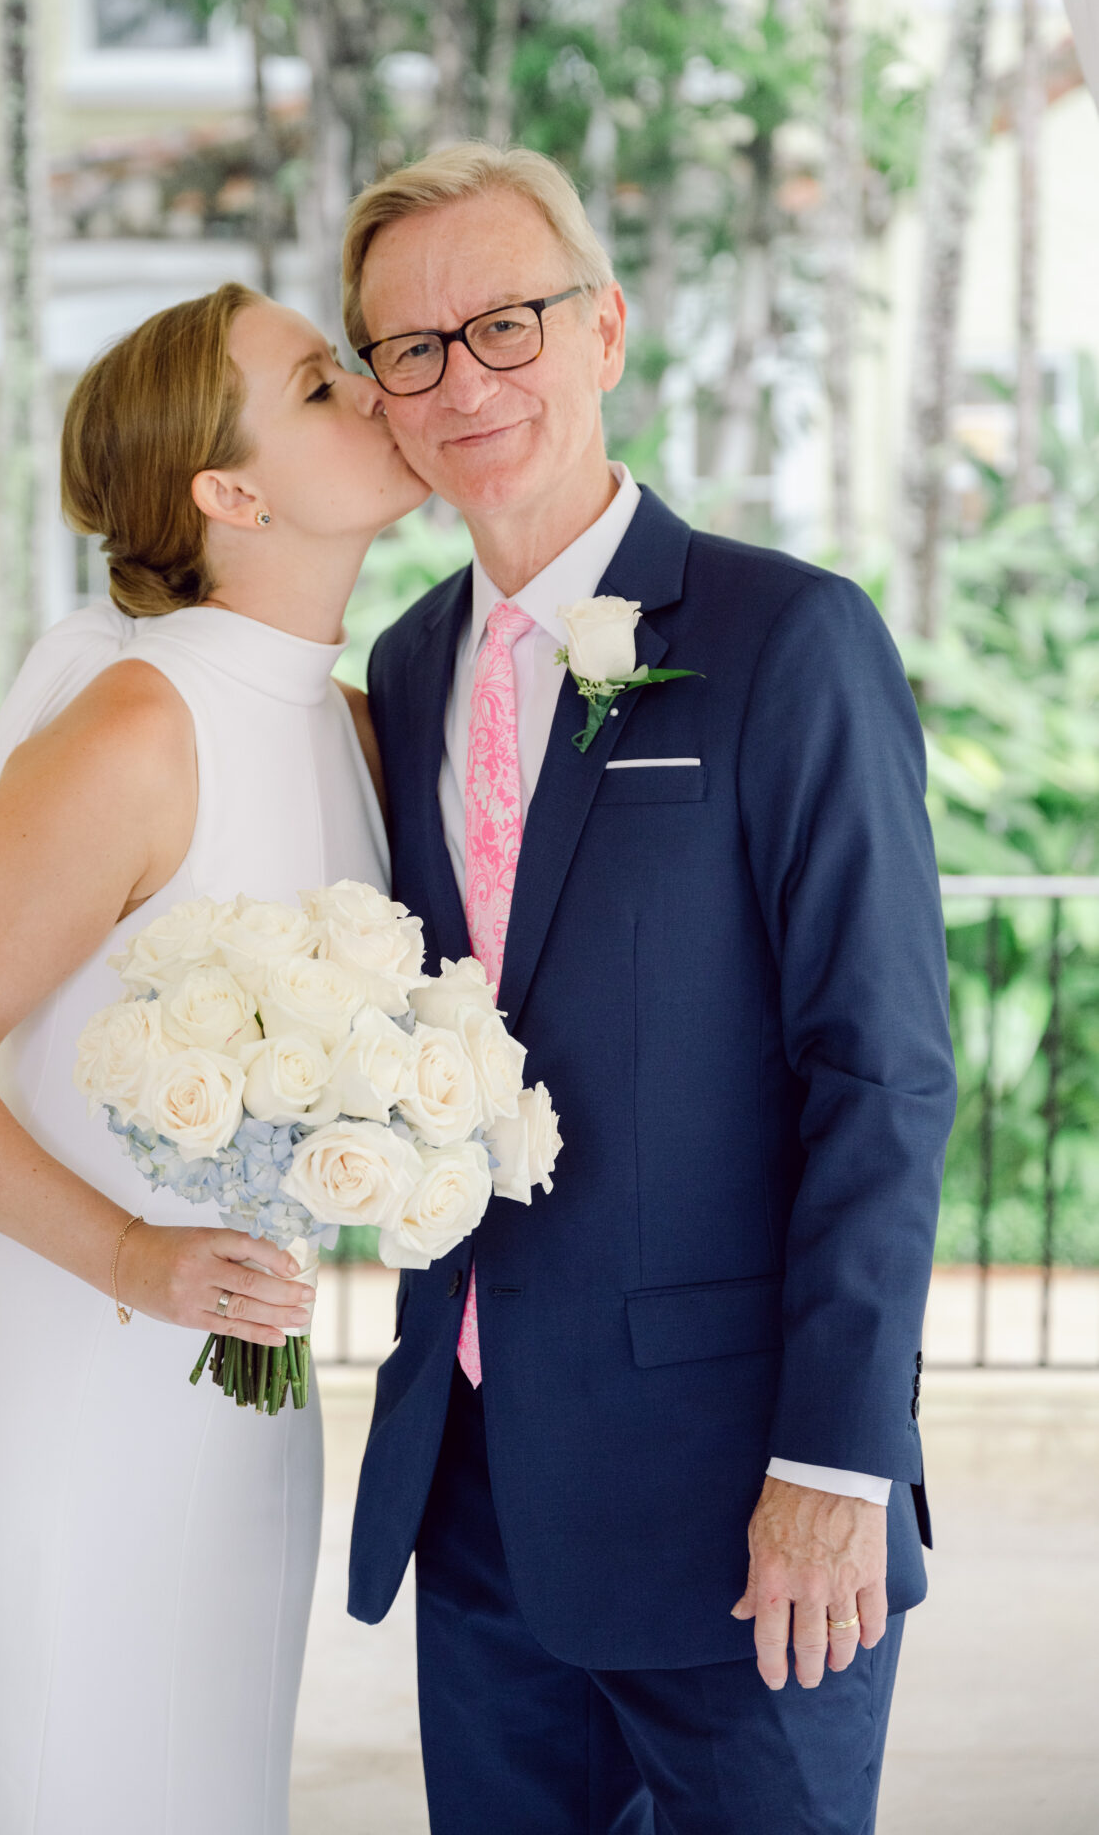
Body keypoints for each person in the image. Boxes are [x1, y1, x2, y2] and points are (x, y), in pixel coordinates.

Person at [343, 145, 956, 1835]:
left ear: (603, 330)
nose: (464, 377)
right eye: (412, 347)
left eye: (507, 322)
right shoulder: (399, 669)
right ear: (385, 403)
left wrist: (836, 1463)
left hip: (743, 1500)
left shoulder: (787, 636)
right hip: (469, 1489)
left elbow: (879, 1071)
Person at [0, 283, 426, 1835]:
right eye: (320, 385)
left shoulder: (361, 730)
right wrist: (134, 1252)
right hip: (52, 1402)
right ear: (228, 493)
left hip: (240, 1413)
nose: (376, 387)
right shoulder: (133, 723)